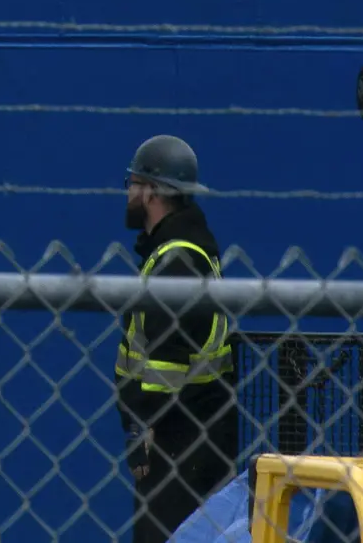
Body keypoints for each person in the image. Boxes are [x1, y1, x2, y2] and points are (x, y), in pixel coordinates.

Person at [117, 134, 237, 543]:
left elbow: (164, 366)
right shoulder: (179, 250)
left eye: (132, 183)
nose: (129, 192)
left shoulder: (177, 261)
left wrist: (142, 432)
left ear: (153, 191)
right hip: (192, 438)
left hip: (178, 443)